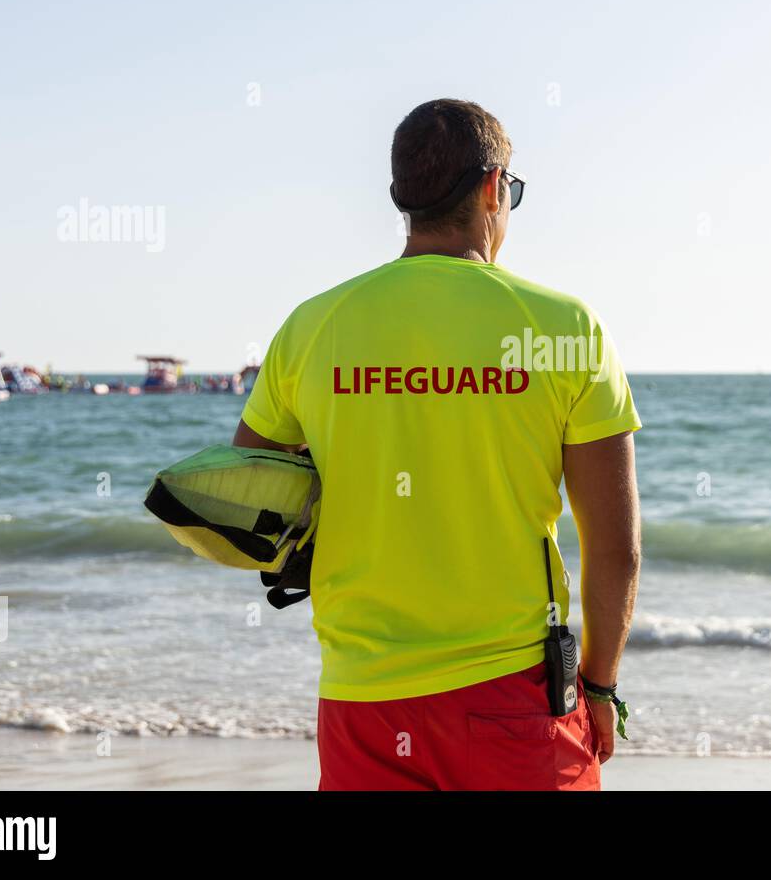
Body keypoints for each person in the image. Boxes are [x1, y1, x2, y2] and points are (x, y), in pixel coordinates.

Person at [232, 98, 642, 790]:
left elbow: (248, 494)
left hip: (363, 701)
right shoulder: (566, 327)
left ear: (405, 200)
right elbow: (616, 547)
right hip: (514, 696)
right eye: (510, 192)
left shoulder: (312, 327)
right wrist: (598, 688)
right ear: (491, 188)